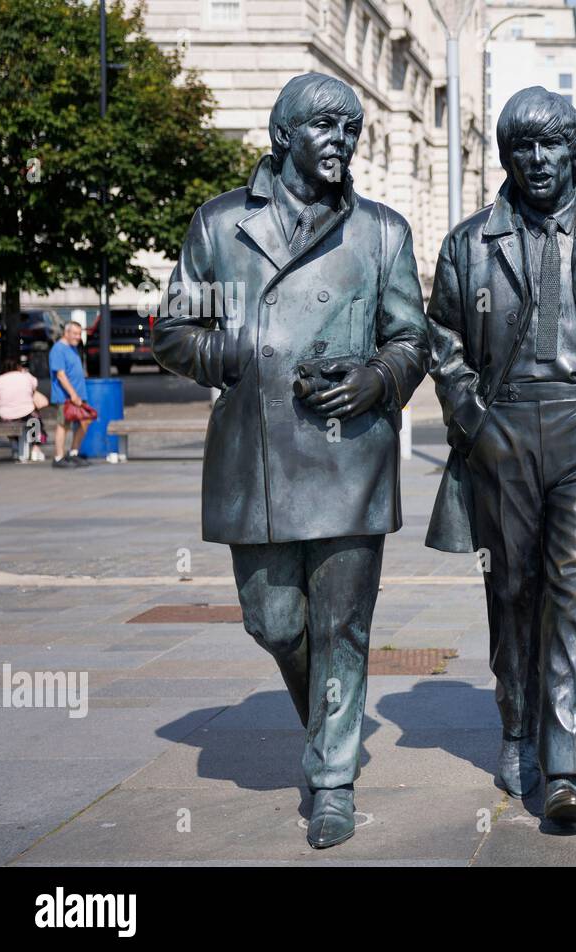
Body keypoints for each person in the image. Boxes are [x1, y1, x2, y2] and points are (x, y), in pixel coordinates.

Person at [153, 73, 427, 849]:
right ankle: (326, 722)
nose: (340, 142)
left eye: (351, 130)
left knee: (343, 625)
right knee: (273, 620)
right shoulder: (219, 226)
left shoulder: (381, 231)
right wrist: (233, 351)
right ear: (284, 137)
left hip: (350, 453)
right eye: (324, 128)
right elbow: (172, 331)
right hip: (258, 457)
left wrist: (377, 376)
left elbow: (413, 338)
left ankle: (333, 779)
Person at [424, 87, 576, 825]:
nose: (536, 159)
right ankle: (515, 723)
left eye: (551, 144)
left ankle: (564, 764)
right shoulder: (470, 243)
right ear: (506, 157)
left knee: (574, 594)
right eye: (522, 147)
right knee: (513, 594)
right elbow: (444, 344)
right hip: (502, 433)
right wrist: (475, 420)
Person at [48, 320, 90, 467]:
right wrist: (72, 394)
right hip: (66, 396)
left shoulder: (73, 348)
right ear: (66, 333)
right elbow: (60, 374)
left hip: (79, 395)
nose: (78, 337)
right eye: (75, 333)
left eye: (80, 334)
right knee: (63, 425)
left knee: (84, 421)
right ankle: (58, 457)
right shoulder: (58, 349)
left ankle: (73, 452)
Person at [0, 356, 46, 461]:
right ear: (18, 367)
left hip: (6, 416)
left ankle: (15, 445)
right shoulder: (26, 376)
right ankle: (35, 448)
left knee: (6, 421)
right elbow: (35, 385)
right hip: (27, 413)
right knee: (36, 421)